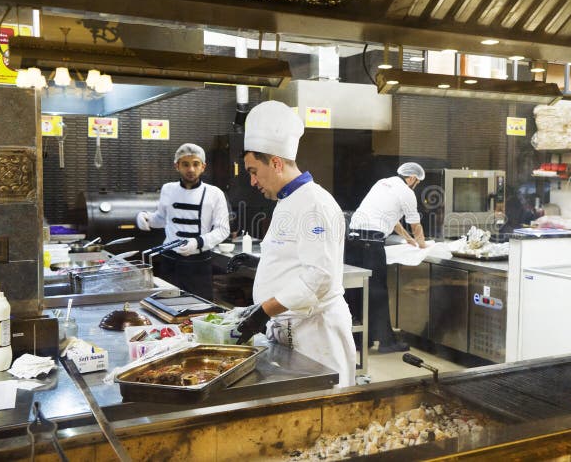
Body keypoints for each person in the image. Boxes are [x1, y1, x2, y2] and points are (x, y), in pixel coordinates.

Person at [234, 100, 356, 388]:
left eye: (253, 171)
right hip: (292, 331)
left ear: (275, 163)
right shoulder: (289, 200)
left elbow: (319, 277)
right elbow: (294, 259)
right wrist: (256, 264)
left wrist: (263, 311)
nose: (252, 181)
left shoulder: (313, 202)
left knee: (326, 416)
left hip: (316, 336)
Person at [346, 162, 427, 353]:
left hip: (353, 240)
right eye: (417, 182)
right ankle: (386, 342)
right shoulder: (407, 192)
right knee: (378, 292)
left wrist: (407, 239)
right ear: (413, 178)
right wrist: (424, 245)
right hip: (371, 243)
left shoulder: (383, 183)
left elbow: (394, 220)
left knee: (357, 291)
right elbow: (415, 224)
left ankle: (359, 340)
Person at [136, 143, 230, 300]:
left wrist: (198, 242)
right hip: (169, 260)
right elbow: (161, 219)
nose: (191, 169)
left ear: (203, 166)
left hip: (198, 264)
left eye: (195, 164)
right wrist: (146, 218)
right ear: (177, 166)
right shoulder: (168, 189)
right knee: (166, 306)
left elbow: (223, 229)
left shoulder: (214, 193)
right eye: (185, 164)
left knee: (200, 308)